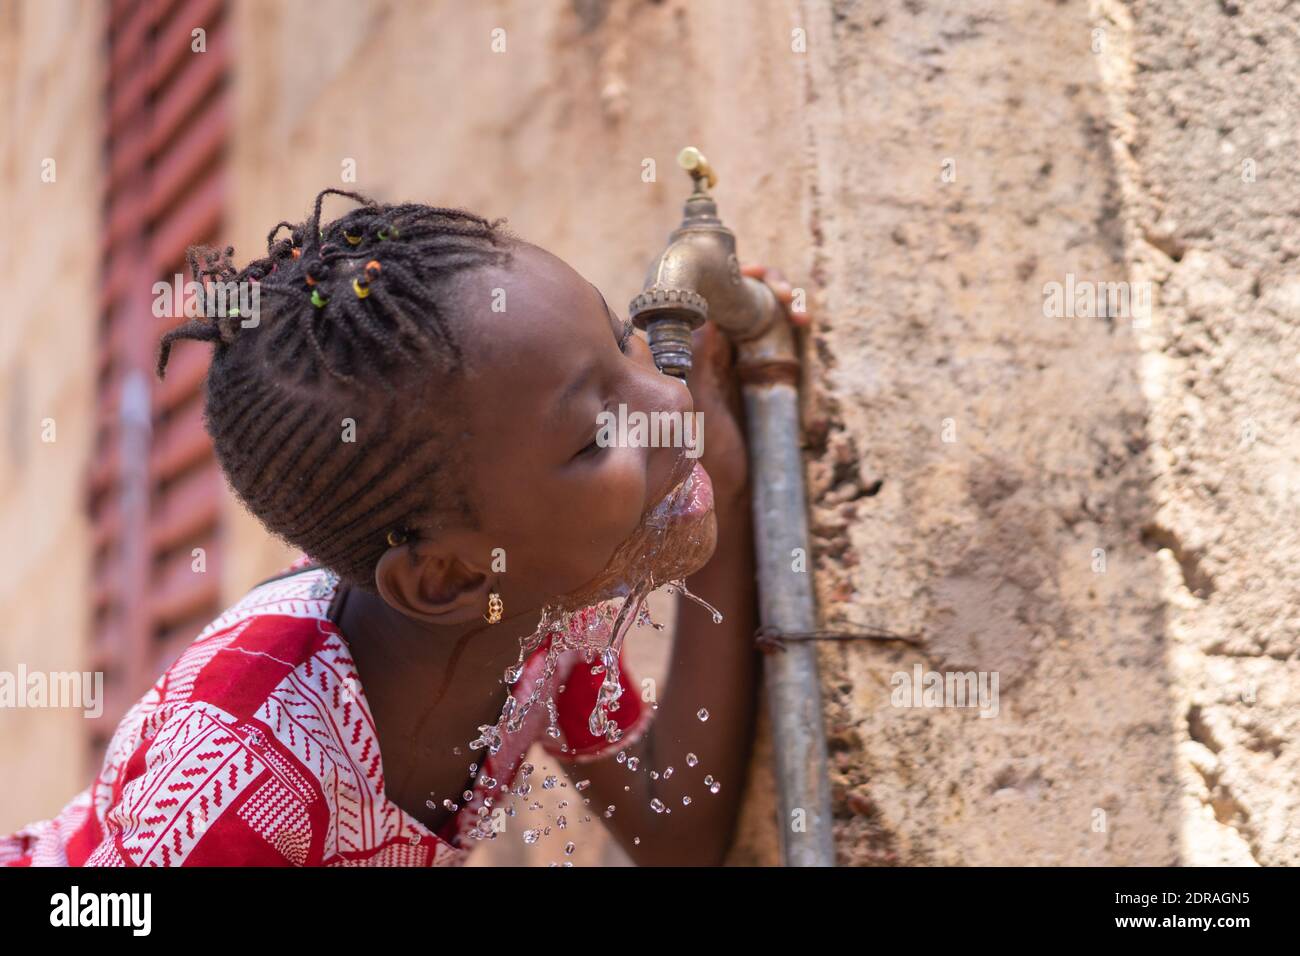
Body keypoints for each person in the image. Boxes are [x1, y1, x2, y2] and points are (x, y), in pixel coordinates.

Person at [1, 189, 806, 866]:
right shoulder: (240, 776)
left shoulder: (542, 606)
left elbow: (675, 825)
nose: (668, 403)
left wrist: (727, 490)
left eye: (624, 344)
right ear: (445, 577)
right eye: (597, 437)